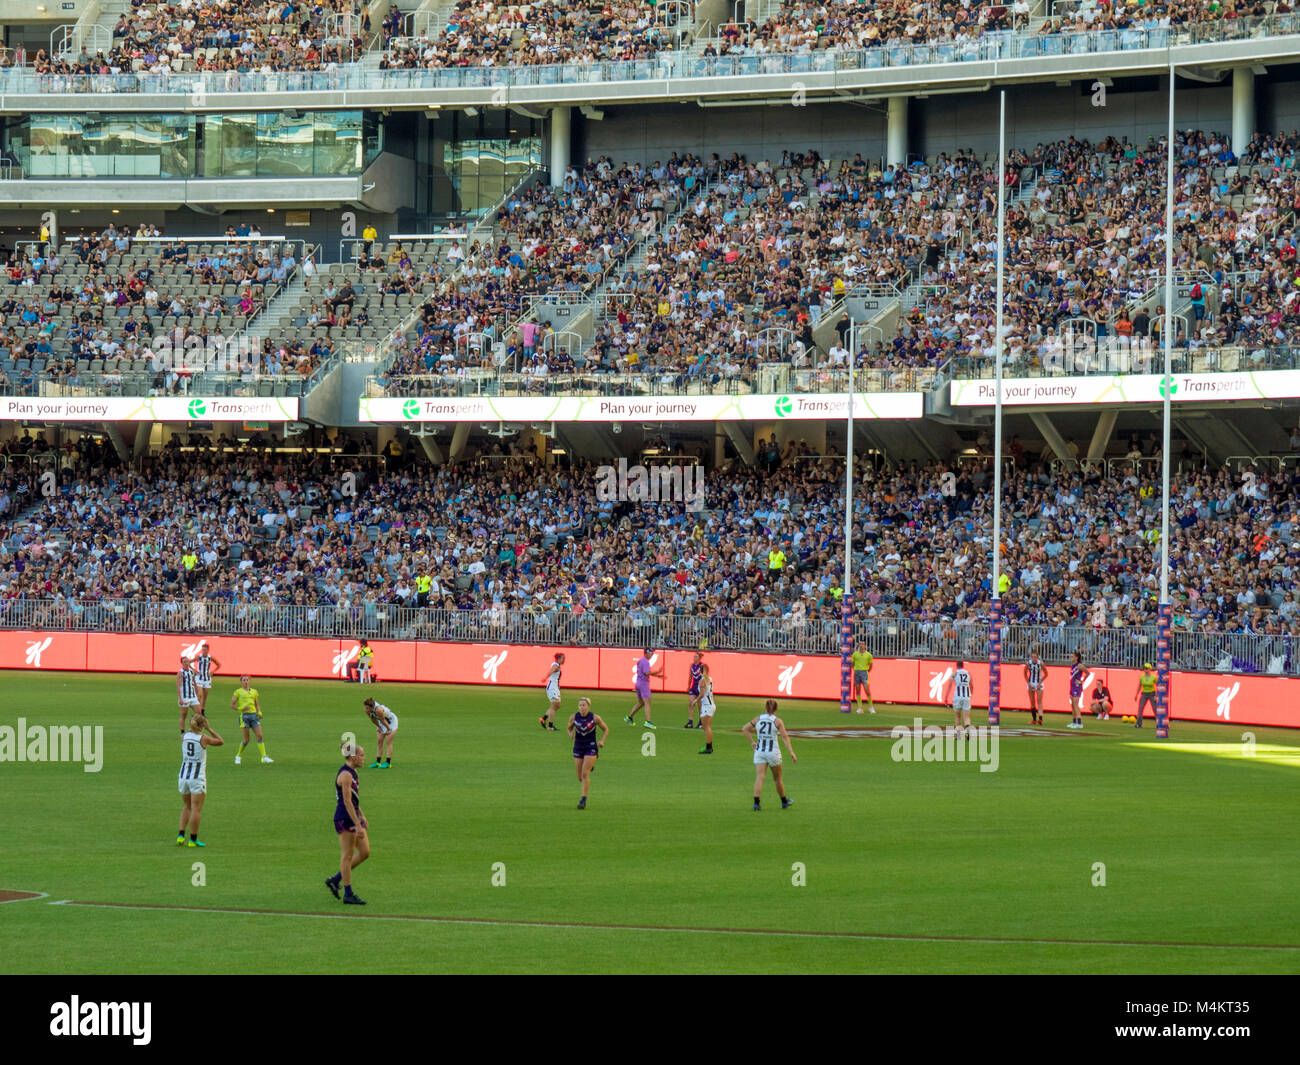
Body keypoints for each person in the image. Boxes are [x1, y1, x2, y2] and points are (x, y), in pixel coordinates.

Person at [326, 740, 370, 905]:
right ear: (353, 756)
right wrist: (357, 823)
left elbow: (354, 799)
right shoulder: (346, 775)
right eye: (361, 755)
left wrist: (362, 815)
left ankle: (335, 879)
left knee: (365, 852)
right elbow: (346, 801)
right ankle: (348, 894)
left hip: (352, 816)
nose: (364, 758)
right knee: (347, 856)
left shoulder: (353, 772)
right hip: (345, 818)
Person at [176, 712, 223, 848]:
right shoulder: (203, 738)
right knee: (196, 809)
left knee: (186, 806)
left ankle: (180, 835)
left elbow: (190, 732)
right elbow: (220, 741)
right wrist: (210, 729)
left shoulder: (183, 736)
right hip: (197, 778)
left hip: (183, 776)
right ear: (202, 725)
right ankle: (193, 839)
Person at [742, 698, 796, 811]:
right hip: (773, 752)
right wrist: (791, 752)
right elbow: (785, 737)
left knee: (760, 777)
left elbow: (745, 729)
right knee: (777, 778)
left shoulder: (758, 719)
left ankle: (756, 804)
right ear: (776, 709)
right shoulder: (778, 721)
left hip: (760, 751)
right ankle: (784, 801)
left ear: (765, 708)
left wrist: (752, 742)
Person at [567, 696, 608, 810]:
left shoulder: (595, 718)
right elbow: (569, 728)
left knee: (585, 774)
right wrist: (570, 733)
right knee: (580, 777)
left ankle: (583, 800)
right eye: (580, 705)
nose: (582, 707)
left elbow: (606, 729)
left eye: (584, 705)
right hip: (578, 747)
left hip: (591, 747)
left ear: (589, 706)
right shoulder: (574, 717)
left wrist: (602, 741)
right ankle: (591, 764)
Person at [231, 675, 273, 764]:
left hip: (254, 716)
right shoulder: (238, 692)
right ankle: (238, 756)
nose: (245, 681)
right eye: (243, 680)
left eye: (247, 680)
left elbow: (256, 703)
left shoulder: (254, 692)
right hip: (244, 717)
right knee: (246, 740)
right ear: (241, 682)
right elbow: (232, 705)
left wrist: (259, 712)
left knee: (260, 736)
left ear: (249, 681)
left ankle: (264, 757)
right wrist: (240, 708)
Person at [624, 647, 663, 730]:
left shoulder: (641, 660)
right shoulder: (645, 661)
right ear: (647, 653)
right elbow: (647, 672)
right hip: (643, 684)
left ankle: (629, 717)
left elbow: (644, 673)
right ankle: (648, 722)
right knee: (647, 702)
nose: (652, 654)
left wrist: (658, 675)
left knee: (641, 702)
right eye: (651, 653)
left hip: (638, 683)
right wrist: (658, 672)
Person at [363, 697, 397, 768]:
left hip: (391, 722)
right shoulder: (367, 710)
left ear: (372, 707)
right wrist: (379, 727)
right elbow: (373, 719)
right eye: (365, 707)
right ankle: (378, 762)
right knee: (379, 741)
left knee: (388, 741)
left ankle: (388, 763)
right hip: (382, 722)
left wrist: (388, 729)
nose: (365, 709)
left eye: (367, 708)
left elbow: (383, 720)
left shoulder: (378, 710)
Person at [946, 660, 973, 735]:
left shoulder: (955, 673)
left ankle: (958, 734)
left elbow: (949, 685)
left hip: (957, 697)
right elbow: (971, 686)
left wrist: (946, 697)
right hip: (966, 697)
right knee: (966, 717)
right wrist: (970, 695)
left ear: (957, 666)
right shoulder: (968, 673)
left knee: (957, 716)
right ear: (963, 665)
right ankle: (968, 731)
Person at [539, 653, 564, 731]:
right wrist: (545, 677)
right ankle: (550, 726)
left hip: (555, 687)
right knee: (553, 706)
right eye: (563, 658)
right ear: (558, 659)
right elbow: (551, 671)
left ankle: (543, 718)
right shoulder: (556, 665)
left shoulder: (557, 665)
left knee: (558, 705)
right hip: (552, 687)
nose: (564, 660)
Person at [193, 641, 220, 711]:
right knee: (199, 695)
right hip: (199, 678)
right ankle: (198, 710)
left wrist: (212, 672)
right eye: (202, 649)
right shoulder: (199, 657)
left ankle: (202, 711)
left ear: (208, 650)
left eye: (205, 650)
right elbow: (189, 662)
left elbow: (218, 665)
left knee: (205, 697)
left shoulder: (210, 658)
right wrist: (194, 670)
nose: (203, 651)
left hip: (207, 678)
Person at [697, 663, 717, 754]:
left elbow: (702, 694)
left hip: (707, 705)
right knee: (706, 727)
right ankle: (709, 746)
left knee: (706, 727)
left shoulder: (702, 681)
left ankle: (709, 747)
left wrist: (694, 701)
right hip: (711, 704)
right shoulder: (710, 679)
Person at [1023, 651, 1047, 726]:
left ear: (1037, 657)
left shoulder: (1040, 664)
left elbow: (1046, 674)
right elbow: (1025, 674)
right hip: (1031, 683)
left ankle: (1040, 719)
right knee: (1032, 702)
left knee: (1039, 701)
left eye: (1035, 657)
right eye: (1032, 657)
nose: (1034, 658)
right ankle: (1034, 719)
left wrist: (1040, 682)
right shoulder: (1028, 663)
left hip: (1038, 683)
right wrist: (1028, 683)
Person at [176, 655, 199, 732]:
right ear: (182, 663)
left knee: (198, 713)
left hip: (192, 696)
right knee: (184, 715)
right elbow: (178, 686)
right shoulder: (180, 673)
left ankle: (191, 728)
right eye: (184, 662)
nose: (186, 663)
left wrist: (197, 694)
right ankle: (182, 732)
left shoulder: (191, 671)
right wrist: (180, 698)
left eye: (187, 661)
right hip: (184, 697)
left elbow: (194, 683)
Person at [851, 641, 875, 714]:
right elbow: (853, 663)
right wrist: (856, 669)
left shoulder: (868, 655)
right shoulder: (855, 654)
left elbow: (871, 665)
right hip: (857, 672)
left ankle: (871, 707)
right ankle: (860, 708)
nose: (861, 646)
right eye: (860, 644)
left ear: (865, 646)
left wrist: (867, 670)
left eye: (863, 644)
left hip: (864, 672)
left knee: (867, 690)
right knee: (858, 690)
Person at [1135, 662, 1158, 728]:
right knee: (1140, 708)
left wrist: (1156, 695)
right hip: (1144, 693)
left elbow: (1157, 686)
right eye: (1144, 668)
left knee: (1155, 709)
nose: (1145, 670)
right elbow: (1140, 686)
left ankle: (1159, 723)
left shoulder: (1153, 677)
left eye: (1147, 668)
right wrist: (1136, 694)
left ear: (1150, 669)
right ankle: (1138, 723)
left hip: (1152, 693)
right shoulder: (1142, 677)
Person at [685, 651, 704, 728]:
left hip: (699, 687)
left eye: (696, 657)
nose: (694, 658)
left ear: (699, 658)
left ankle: (701, 722)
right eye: (694, 657)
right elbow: (690, 677)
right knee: (691, 703)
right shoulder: (692, 666)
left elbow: (704, 676)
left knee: (700, 705)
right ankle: (690, 722)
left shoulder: (702, 666)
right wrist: (688, 686)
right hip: (693, 686)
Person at [1067, 651, 1086, 730]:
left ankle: (1079, 723)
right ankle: (1074, 722)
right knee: (1072, 705)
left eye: (1073, 656)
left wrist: (1081, 681)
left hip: (1077, 686)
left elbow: (1088, 673)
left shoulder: (1079, 666)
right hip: (1072, 686)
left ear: (1076, 657)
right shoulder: (1073, 665)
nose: (1071, 658)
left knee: (1075, 705)